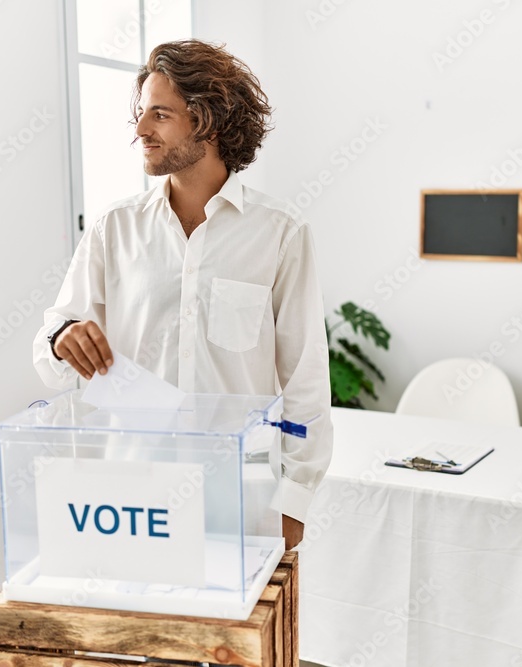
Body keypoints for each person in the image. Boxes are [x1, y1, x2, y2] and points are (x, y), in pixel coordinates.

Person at [33, 39, 332, 550]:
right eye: (140, 113)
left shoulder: (279, 232)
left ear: (207, 121)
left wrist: (295, 498)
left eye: (160, 114)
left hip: (241, 492)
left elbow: (304, 377)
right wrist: (64, 337)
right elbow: (52, 346)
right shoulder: (115, 229)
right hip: (132, 496)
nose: (140, 130)